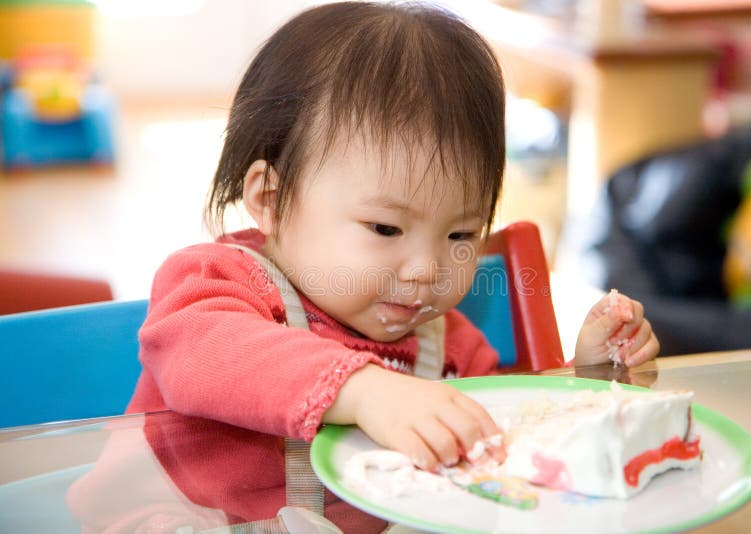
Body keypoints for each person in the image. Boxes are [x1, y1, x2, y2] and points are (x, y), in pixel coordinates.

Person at [121, 1, 659, 530]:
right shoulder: (217, 284)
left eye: (460, 234)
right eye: (385, 229)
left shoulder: (450, 346)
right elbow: (201, 353)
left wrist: (589, 382)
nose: (426, 269)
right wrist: (364, 390)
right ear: (271, 199)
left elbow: (506, 436)